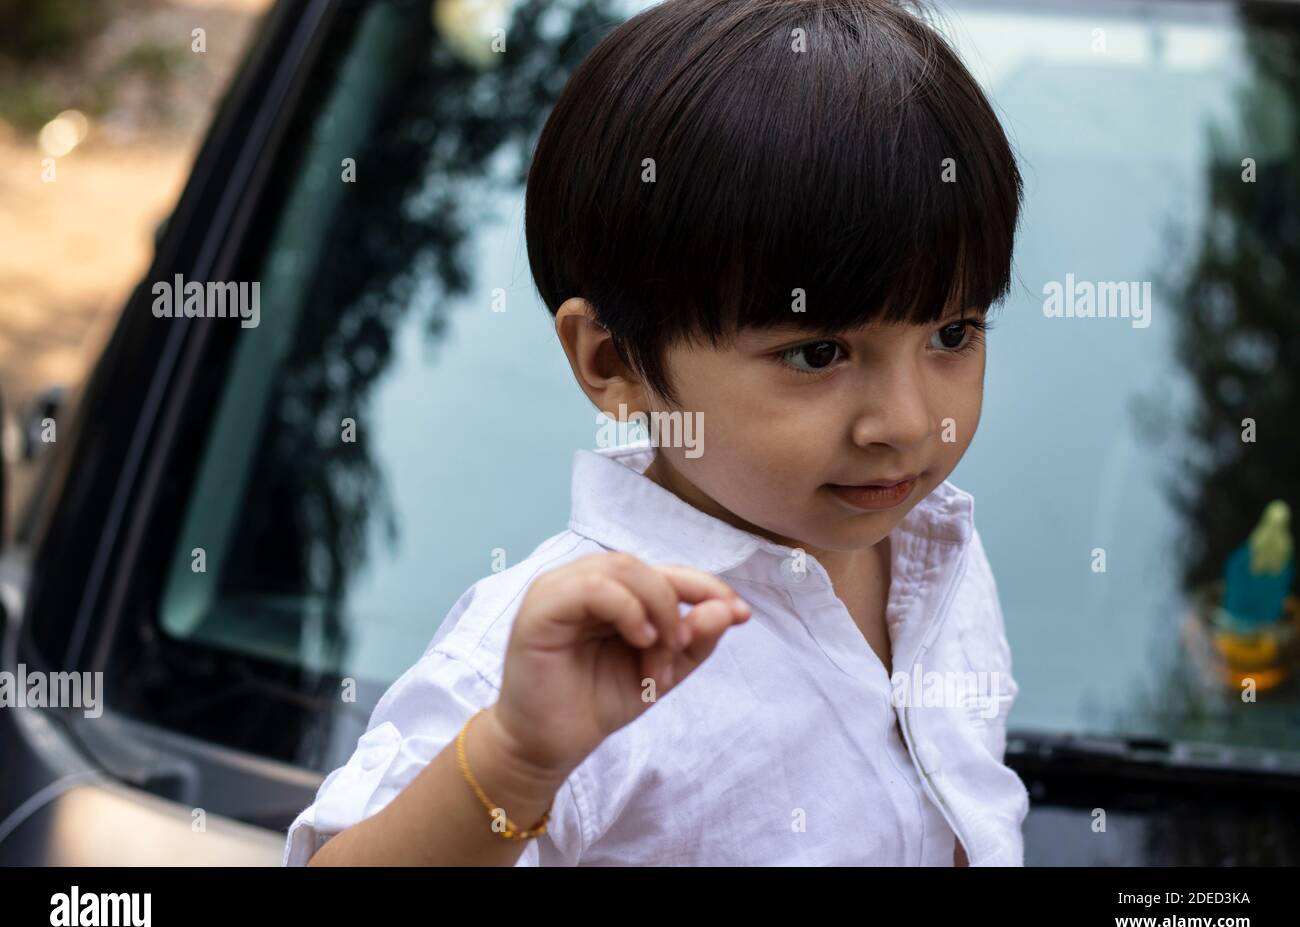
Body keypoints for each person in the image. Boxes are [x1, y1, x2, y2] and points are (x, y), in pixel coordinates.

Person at [286, 0, 1030, 867]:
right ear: (614, 362)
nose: (906, 423)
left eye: (952, 335)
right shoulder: (558, 657)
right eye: (818, 353)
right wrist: (518, 761)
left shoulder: (932, 551)